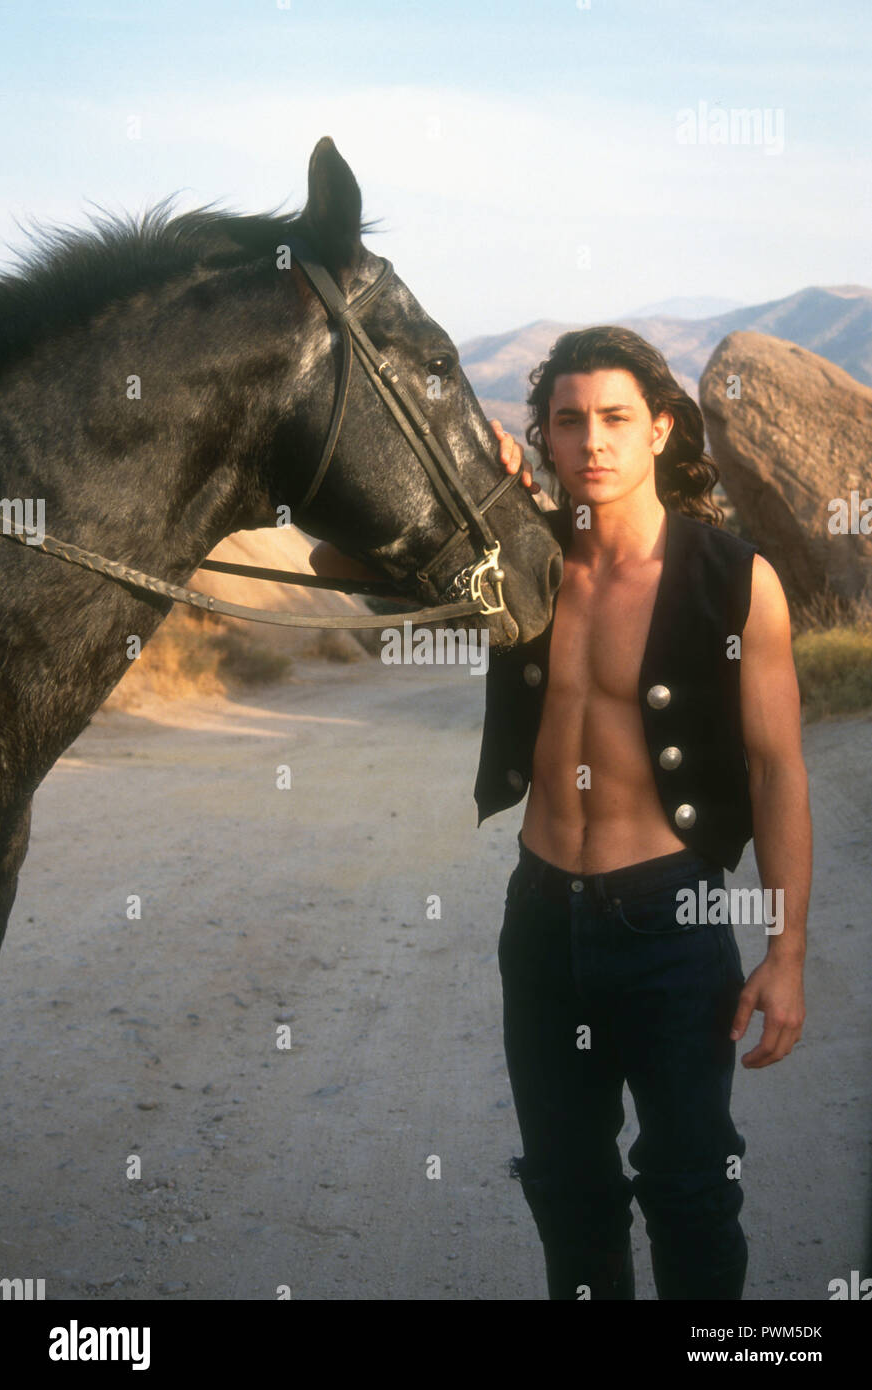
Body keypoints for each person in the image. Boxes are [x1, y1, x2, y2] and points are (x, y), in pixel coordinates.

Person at [311, 324, 810, 1301]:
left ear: (662, 428)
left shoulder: (735, 580)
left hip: (671, 922)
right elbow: (340, 565)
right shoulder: (514, 560)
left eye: (617, 418)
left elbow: (776, 767)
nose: (593, 441)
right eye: (569, 419)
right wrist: (463, 487)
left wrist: (785, 954)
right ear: (544, 432)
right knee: (569, 1194)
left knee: (692, 1190)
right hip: (541, 924)